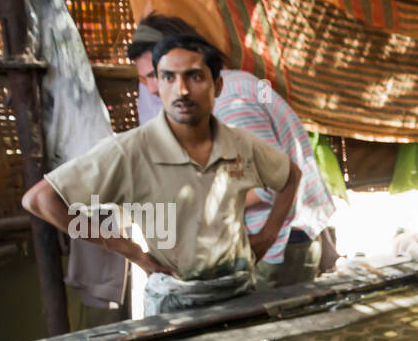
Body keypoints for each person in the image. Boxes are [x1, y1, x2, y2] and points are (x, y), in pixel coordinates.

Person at [22, 33, 301, 314]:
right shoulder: (130, 151)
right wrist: (127, 249)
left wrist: (267, 236)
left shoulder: (242, 143)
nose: (181, 90)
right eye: (168, 77)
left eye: (195, 77)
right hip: (175, 298)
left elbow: (291, 176)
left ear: (217, 86)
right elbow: (41, 200)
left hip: (239, 291)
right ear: (156, 83)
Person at [127, 14, 337, 290]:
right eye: (145, 79)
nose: (153, 88)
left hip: (275, 246)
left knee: (269, 330)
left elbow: (272, 183)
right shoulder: (211, 98)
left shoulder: (231, 103)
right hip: (270, 243)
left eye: (157, 75)